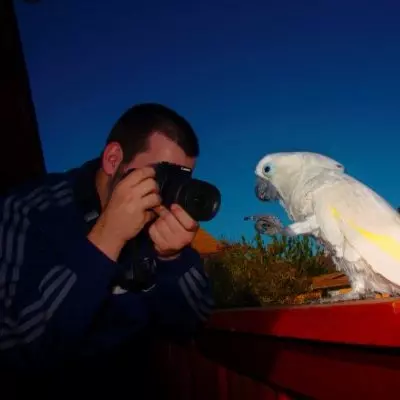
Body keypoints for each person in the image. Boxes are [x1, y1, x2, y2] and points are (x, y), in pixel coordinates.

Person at [0, 103, 214, 389]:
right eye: (163, 174)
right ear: (114, 159)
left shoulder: (159, 223)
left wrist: (173, 260)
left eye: (181, 179)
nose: (168, 191)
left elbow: (194, 326)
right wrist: (108, 237)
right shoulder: (29, 210)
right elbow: (19, 344)